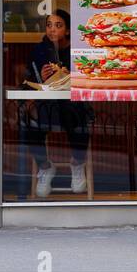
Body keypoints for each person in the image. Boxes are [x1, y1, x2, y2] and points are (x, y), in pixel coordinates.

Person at [22, 11, 90, 196]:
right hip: (46, 106)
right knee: (28, 119)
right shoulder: (39, 50)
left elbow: (88, 78)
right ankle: (44, 166)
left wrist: (69, 77)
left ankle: (77, 164)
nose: (52, 30)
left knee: (78, 116)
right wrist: (42, 79)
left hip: (71, 106)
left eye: (58, 25)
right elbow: (28, 80)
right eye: (49, 25)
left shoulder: (79, 50)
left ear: (67, 30)